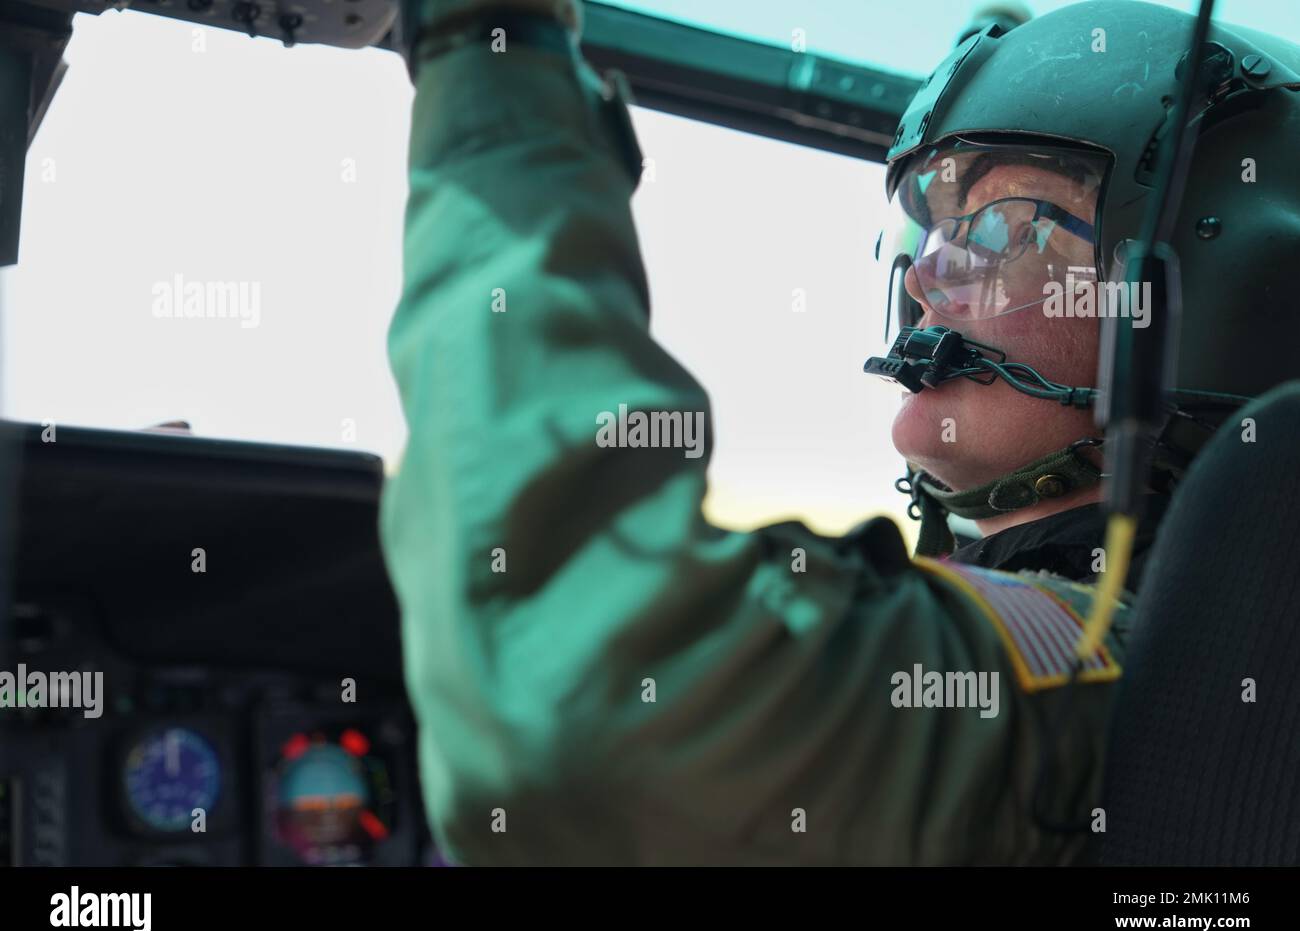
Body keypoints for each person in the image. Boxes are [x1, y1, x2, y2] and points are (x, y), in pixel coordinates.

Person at [378, 0, 1300, 863]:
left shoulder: (1115, 670)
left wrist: (492, 63)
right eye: (932, 229)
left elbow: (569, 691)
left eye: (1008, 225)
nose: (930, 279)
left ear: (1224, 289)